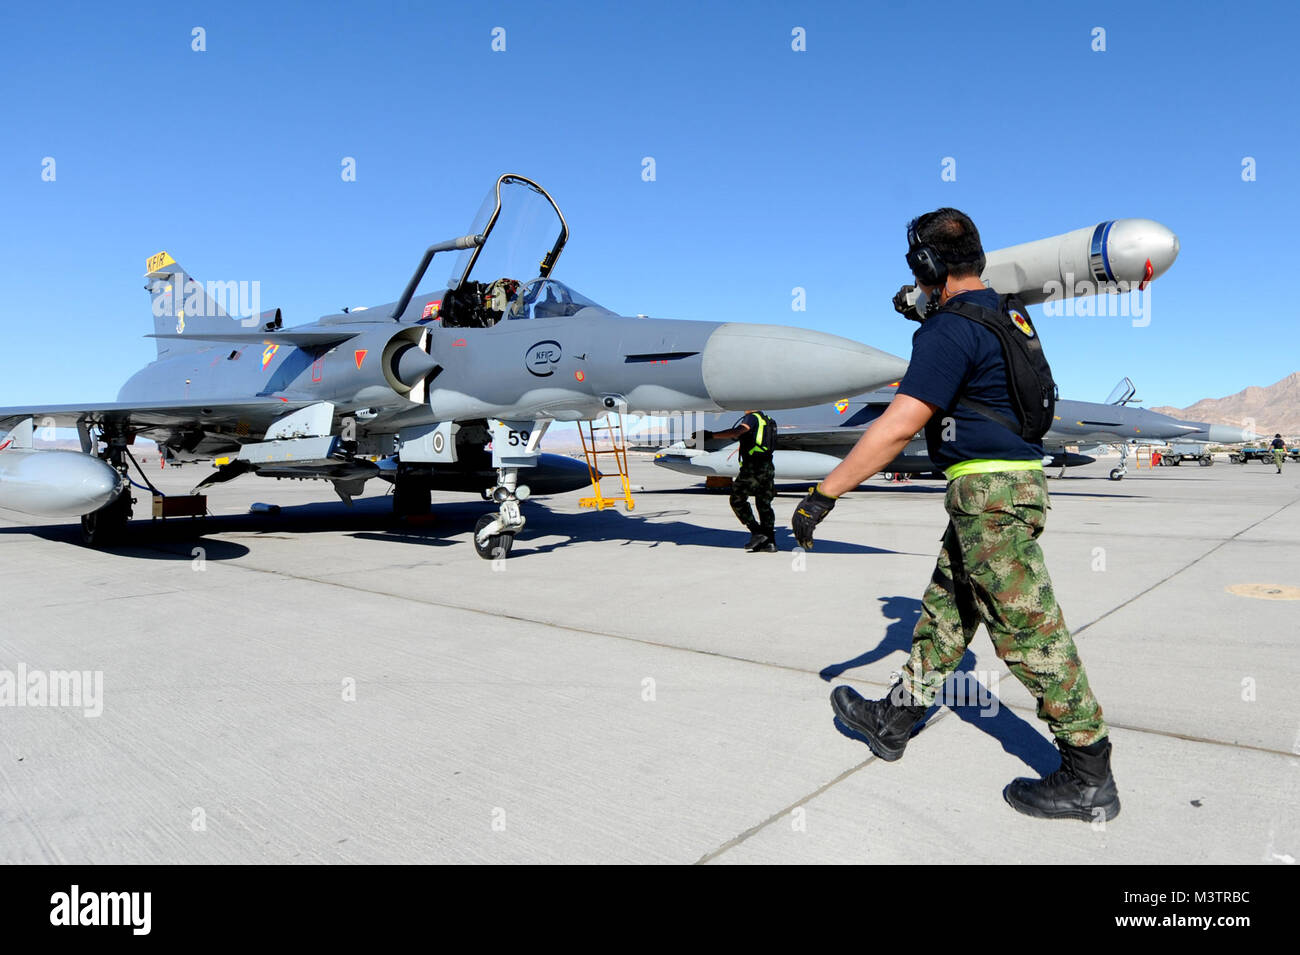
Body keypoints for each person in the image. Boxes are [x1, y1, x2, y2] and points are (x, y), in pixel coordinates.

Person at [791, 207, 1119, 822]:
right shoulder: (1007, 315)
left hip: (988, 497)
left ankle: (1088, 773)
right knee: (946, 612)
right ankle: (895, 719)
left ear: (925, 264)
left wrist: (824, 492)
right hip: (1004, 488)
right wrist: (924, 308)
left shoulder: (946, 331)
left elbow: (898, 425)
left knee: (1030, 632)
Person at [706, 411, 778, 551]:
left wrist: (711, 435)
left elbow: (739, 431)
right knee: (764, 504)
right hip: (767, 467)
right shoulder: (768, 420)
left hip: (753, 467)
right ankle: (770, 543)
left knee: (737, 500)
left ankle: (757, 532)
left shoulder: (752, 417)